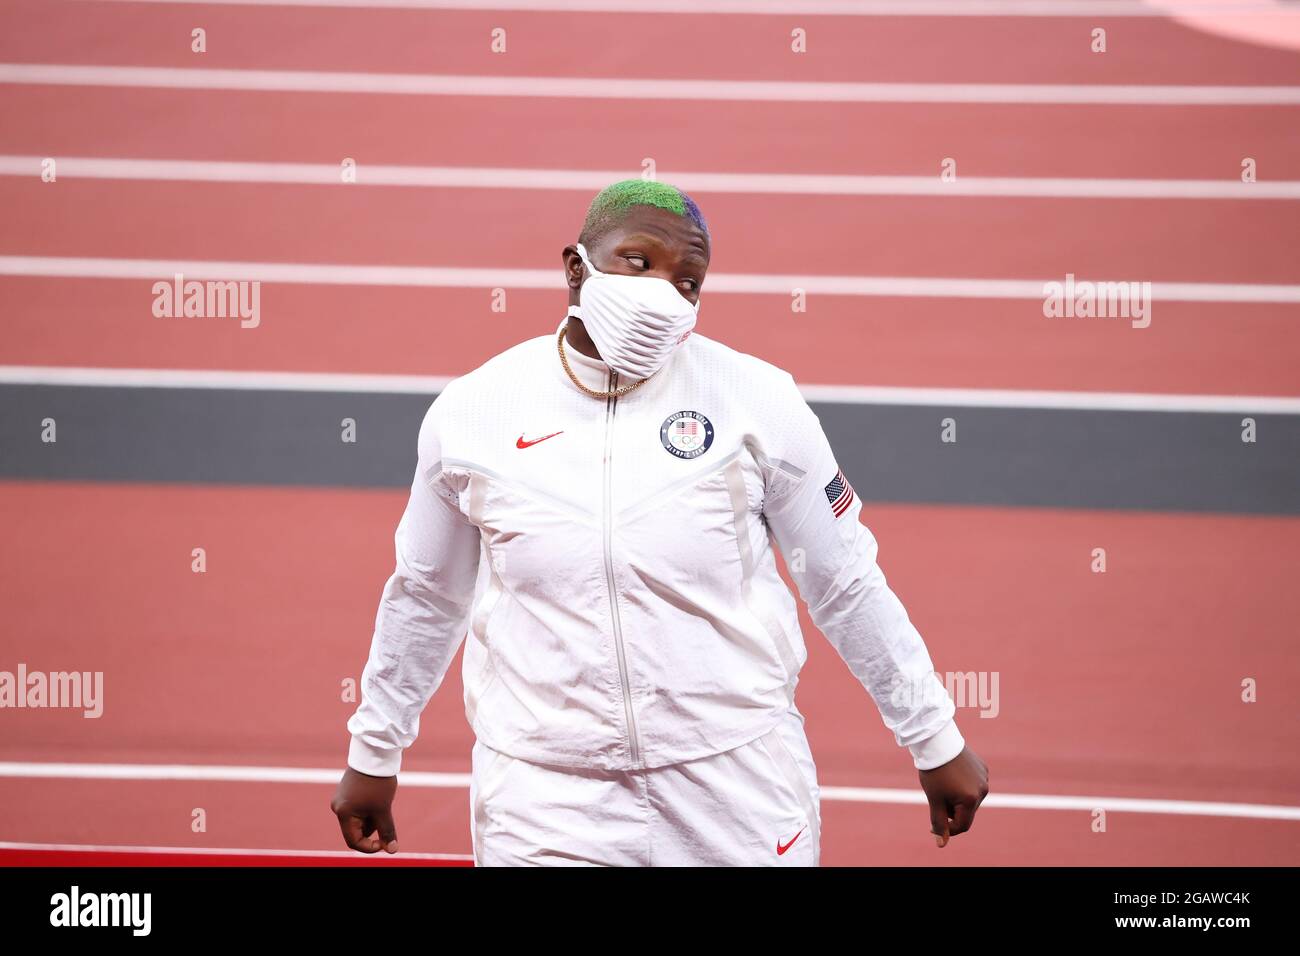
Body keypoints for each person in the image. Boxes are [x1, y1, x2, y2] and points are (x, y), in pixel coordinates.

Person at [331, 180, 988, 866]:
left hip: (736, 783)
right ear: (575, 267)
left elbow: (843, 579)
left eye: (689, 281)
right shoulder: (475, 413)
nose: (664, 293)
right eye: (640, 262)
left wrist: (933, 734)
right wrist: (376, 749)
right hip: (546, 796)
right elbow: (428, 595)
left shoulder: (757, 400)